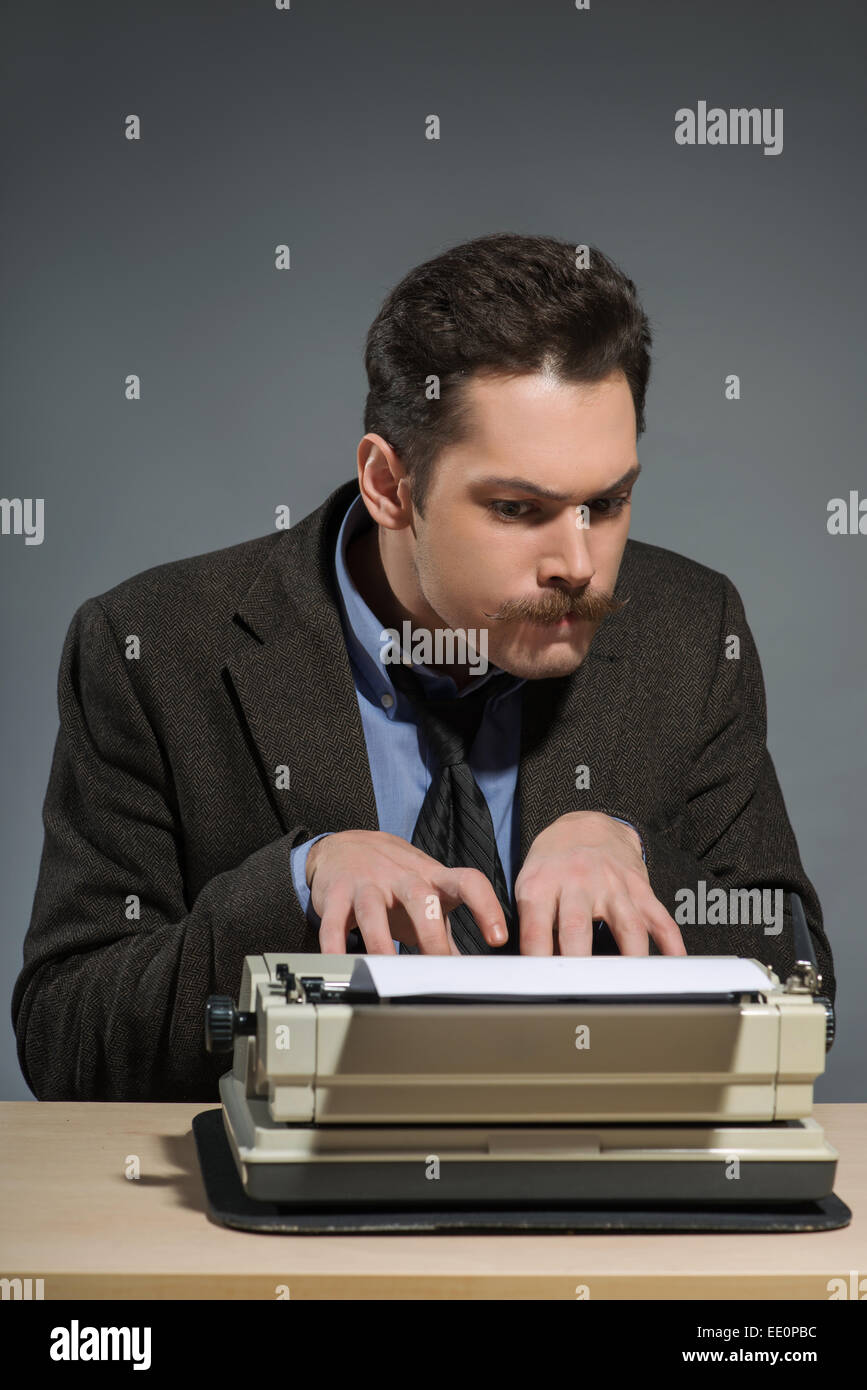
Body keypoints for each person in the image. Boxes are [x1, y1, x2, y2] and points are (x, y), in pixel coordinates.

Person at [11, 233, 834, 1101]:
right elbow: (67, 1039)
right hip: (282, 1223)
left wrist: (635, 854)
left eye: (607, 501)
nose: (579, 564)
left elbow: (807, 999)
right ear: (388, 484)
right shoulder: (151, 646)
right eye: (518, 508)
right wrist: (296, 883)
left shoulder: (691, 631)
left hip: (600, 1205)